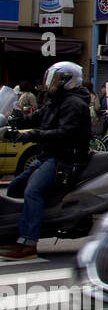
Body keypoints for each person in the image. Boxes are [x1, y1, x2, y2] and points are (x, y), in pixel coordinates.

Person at [0, 62, 92, 262]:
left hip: (65, 158)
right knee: (15, 188)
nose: (51, 83)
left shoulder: (74, 103)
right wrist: (13, 121)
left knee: (32, 191)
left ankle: (28, 242)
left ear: (68, 81)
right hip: (48, 155)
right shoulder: (56, 100)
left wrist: (31, 135)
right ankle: (16, 233)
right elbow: (37, 117)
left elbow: (65, 133)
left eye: (56, 79)